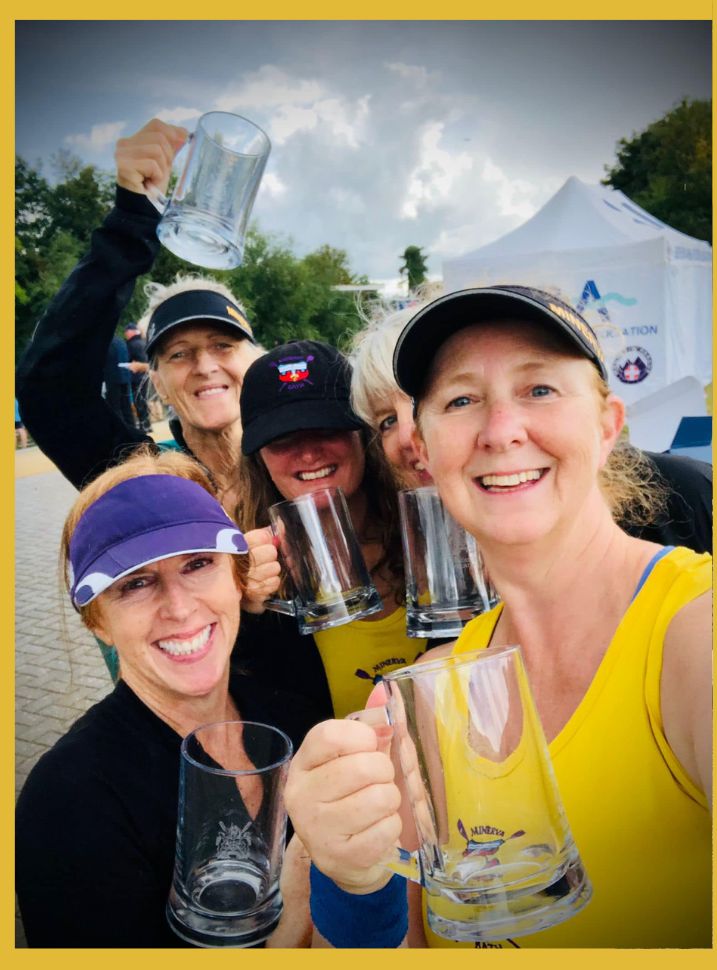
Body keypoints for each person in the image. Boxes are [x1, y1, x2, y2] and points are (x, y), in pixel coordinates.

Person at [283, 284, 712, 948]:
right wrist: (352, 881)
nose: (502, 429)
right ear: (422, 451)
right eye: (461, 400)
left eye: (539, 390)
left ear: (606, 427)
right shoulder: (425, 694)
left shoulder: (690, 627)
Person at [15, 450, 320, 947]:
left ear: (237, 577)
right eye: (136, 583)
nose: (178, 608)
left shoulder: (296, 722)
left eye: (198, 563)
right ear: (98, 623)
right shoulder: (69, 801)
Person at [17, 119, 265, 506]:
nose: (204, 365)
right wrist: (133, 221)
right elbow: (51, 390)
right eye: (178, 353)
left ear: (257, 362)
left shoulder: (299, 459)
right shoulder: (144, 479)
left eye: (223, 345)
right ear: (158, 382)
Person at [346, 298, 713, 553]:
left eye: (538, 391)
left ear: (607, 425)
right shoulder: (422, 569)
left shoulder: (686, 499)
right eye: (387, 421)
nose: (409, 435)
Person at [235, 340, 426, 720]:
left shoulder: (428, 535)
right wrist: (242, 613)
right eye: (282, 439)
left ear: (362, 435)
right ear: (259, 459)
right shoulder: (252, 582)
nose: (308, 454)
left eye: (326, 429)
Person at [126, 324, 153, 432]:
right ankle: (147, 424)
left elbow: (128, 360)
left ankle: (143, 425)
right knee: (144, 399)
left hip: (136, 376)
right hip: (146, 374)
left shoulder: (131, 345)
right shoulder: (143, 342)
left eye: (126, 332)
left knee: (139, 401)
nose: (125, 334)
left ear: (131, 332)